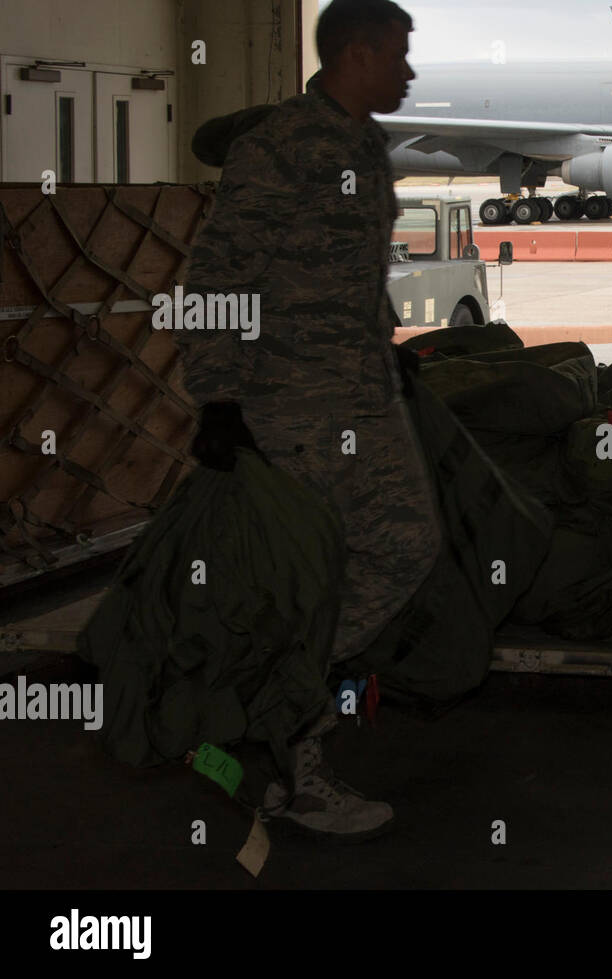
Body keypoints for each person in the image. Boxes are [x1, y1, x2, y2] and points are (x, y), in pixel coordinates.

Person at [175, 0, 431, 839]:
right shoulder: (284, 144)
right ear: (355, 54)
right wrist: (217, 396)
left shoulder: (363, 143)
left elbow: (337, 267)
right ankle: (293, 763)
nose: (409, 71)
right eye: (398, 55)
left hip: (357, 393)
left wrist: (379, 340)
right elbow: (220, 272)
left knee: (396, 551)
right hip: (294, 403)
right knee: (328, 574)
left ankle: (269, 720)